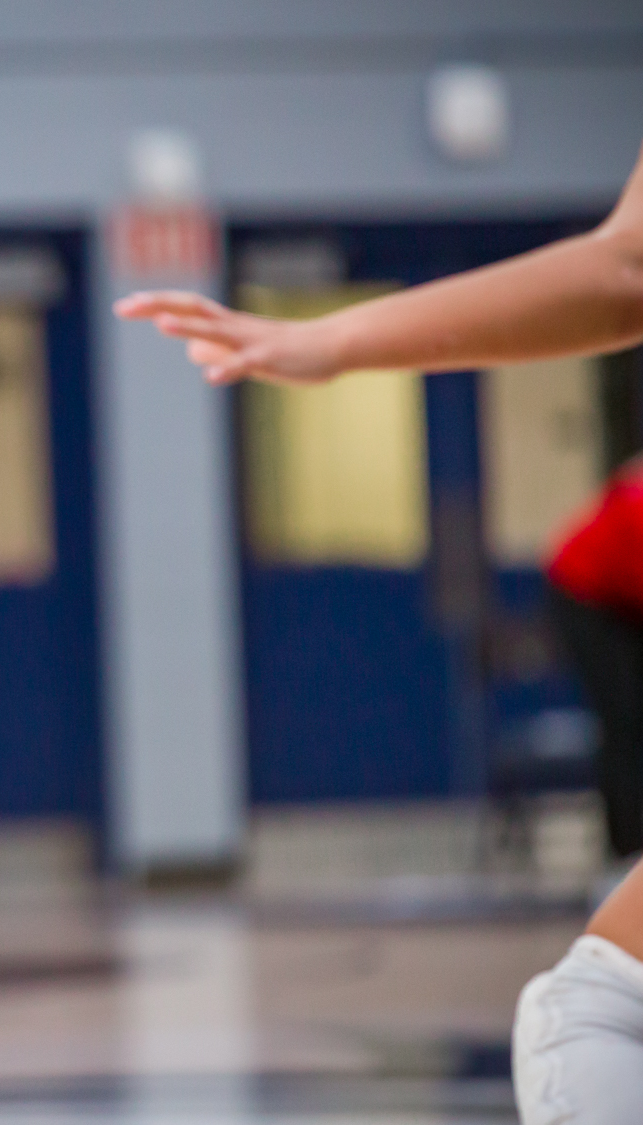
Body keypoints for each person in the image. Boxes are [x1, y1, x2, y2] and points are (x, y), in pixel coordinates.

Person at [116, 144, 643, 1125]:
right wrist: (340, 343)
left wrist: (341, 343)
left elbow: (625, 268)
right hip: (593, 588)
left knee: (592, 1011)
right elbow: (625, 270)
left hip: (610, 585)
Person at [547, 456, 643, 865]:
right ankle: (629, 853)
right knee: (627, 720)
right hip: (585, 595)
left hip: (623, 599)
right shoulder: (636, 506)